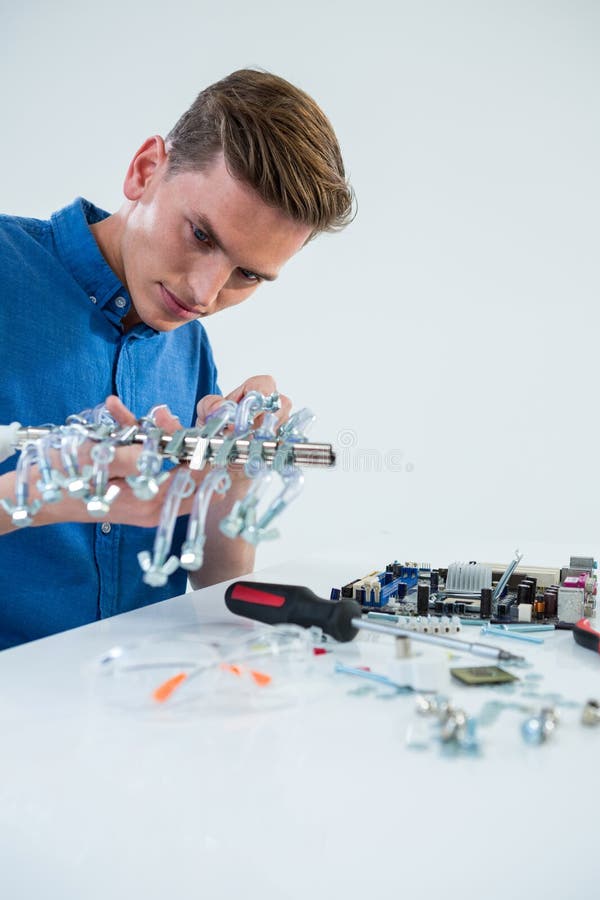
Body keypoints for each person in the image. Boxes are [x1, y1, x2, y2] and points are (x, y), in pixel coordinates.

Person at [0, 69, 353, 650]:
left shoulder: (189, 349)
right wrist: (32, 497)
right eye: (202, 236)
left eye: (247, 275)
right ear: (145, 171)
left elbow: (215, 584)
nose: (204, 293)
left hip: (141, 692)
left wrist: (232, 482)